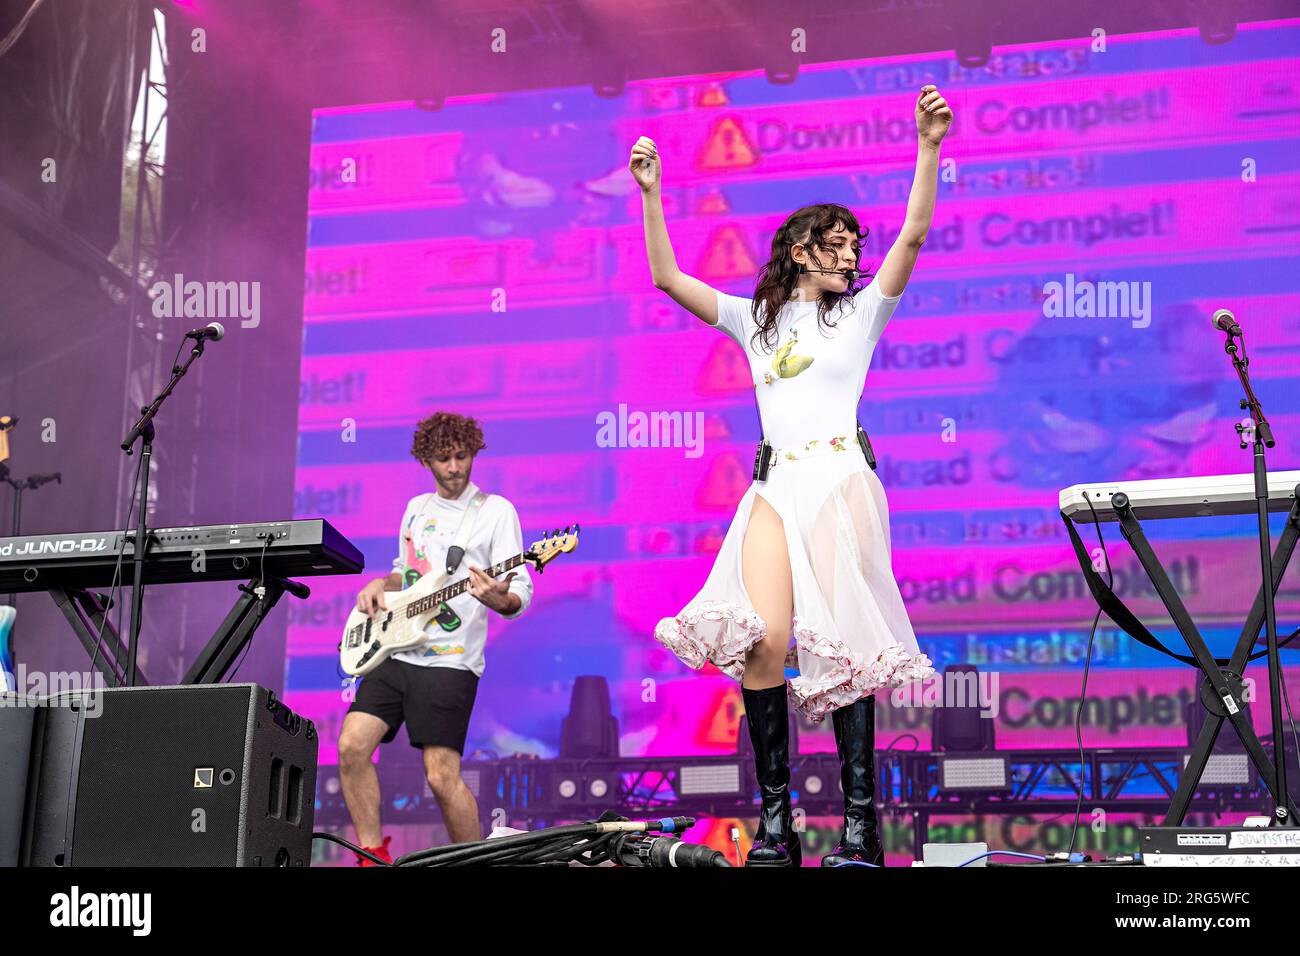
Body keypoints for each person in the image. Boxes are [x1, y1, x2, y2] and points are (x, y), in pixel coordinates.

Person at [635, 86, 953, 867]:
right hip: (774, 490)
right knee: (761, 648)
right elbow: (669, 278)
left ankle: (858, 826)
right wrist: (651, 194)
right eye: (837, 243)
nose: (853, 254)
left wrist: (929, 146)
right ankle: (778, 823)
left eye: (855, 244)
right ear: (802, 249)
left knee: (842, 651)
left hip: (840, 481)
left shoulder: (862, 312)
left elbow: (911, 237)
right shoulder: (757, 318)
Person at [336, 412, 533, 865]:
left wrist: (498, 598)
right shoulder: (416, 508)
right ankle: (372, 855)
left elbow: (519, 590)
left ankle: (474, 863)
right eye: (443, 459)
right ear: (425, 460)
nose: (454, 467)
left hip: (452, 660)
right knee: (350, 746)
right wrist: (379, 585)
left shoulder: (495, 512)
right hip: (397, 648)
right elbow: (407, 574)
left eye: (462, 456)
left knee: (441, 777)